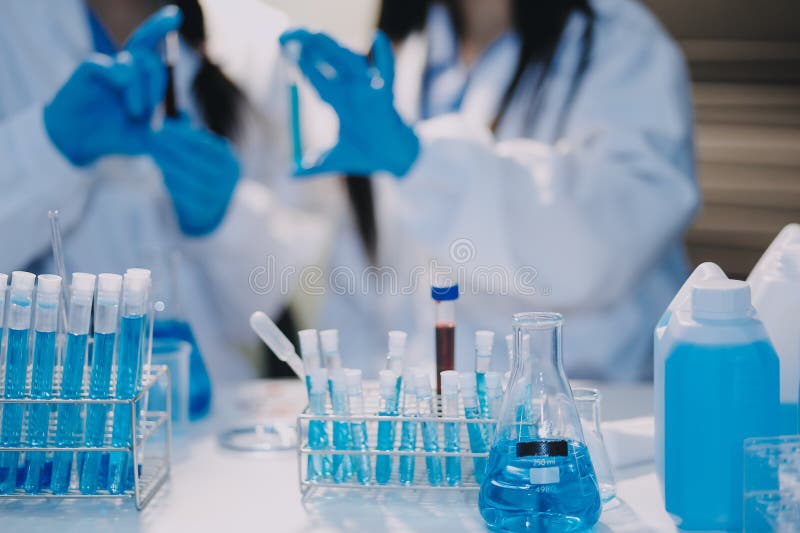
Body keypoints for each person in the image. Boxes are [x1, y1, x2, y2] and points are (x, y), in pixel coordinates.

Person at [281, 0, 700, 380]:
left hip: (580, 420)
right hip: (429, 431)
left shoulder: (621, 46)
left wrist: (422, 163)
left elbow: (605, 241)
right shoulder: (398, 51)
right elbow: (363, 280)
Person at [0, 0, 327, 403]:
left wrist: (222, 222)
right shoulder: (11, 31)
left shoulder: (261, 43)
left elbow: (269, 303)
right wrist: (47, 149)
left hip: (214, 423)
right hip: (47, 428)